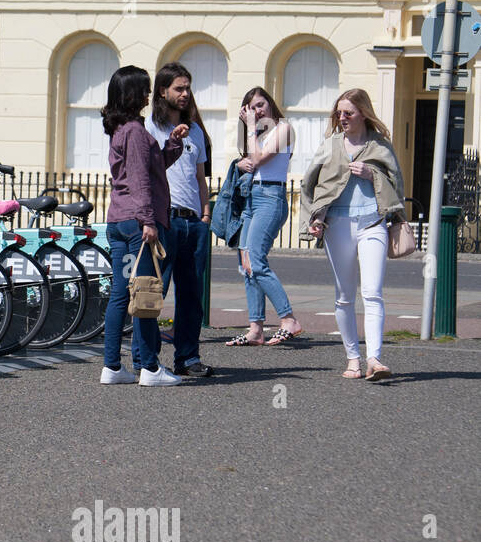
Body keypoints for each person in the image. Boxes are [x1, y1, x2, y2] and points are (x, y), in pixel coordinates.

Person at [299, 89, 406, 381]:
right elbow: (311, 185)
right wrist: (315, 218)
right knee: (345, 297)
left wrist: (373, 175)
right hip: (338, 226)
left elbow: (397, 185)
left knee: (372, 293)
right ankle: (353, 358)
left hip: (373, 223)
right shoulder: (330, 145)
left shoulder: (380, 145)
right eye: (339, 113)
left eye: (348, 112)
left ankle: (374, 358)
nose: (342, 118)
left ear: (363, 113)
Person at [99, 65, 188, 387]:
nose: (149, 94)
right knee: (147, 295)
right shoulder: (135, 131)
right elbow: (140, 181)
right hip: (138, 224)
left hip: (118, 221)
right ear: (133, 93)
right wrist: (149, 221)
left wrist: (172, 146)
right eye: (145, 89)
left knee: (121, 295)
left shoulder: (119, 128)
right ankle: (149, 368)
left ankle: (112, 366)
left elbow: (149, 169)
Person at [145, 62, 213, 378]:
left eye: (188, 88)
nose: (185, 94)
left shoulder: (196, 129)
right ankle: (148, 361)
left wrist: (205, 214)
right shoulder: (150, 127)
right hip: (165, 220)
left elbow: (200, 177)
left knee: (192, 298)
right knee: (154, 293)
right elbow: (147, 172)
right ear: (163, 91)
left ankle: (187, 359)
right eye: (179, 88)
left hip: (194, 223)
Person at [224, 86, 304, 347]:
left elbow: (258, 160)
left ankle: (288, 319)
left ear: (270, 104)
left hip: (270, 198)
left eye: (260, 105)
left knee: (256, 261)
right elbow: (249, 162)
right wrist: (239, 163)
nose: (257, 111)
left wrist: (248, 127)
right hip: (251, 197)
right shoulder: (256, 133)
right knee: (246, 267)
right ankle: (256, 328)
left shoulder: (283, 128)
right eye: (251, 107)